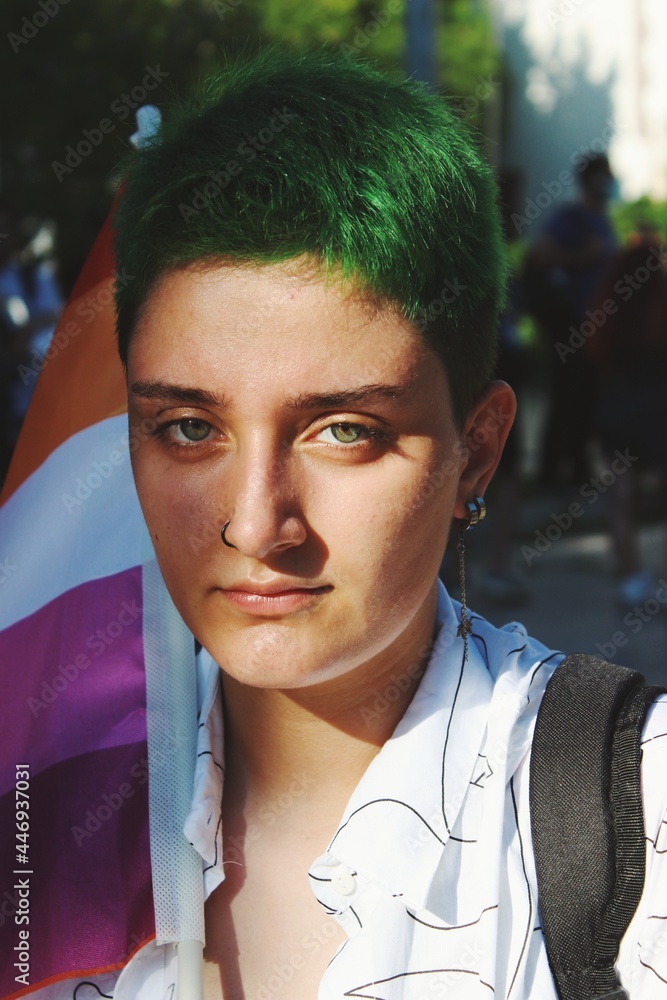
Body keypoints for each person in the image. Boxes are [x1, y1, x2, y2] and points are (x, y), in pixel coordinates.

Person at [2, 49, 666, 1000]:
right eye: (189, 429)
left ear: (474, 452)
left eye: (343, 431)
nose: (255, 522)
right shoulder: (40, 804)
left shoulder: (633, 822)